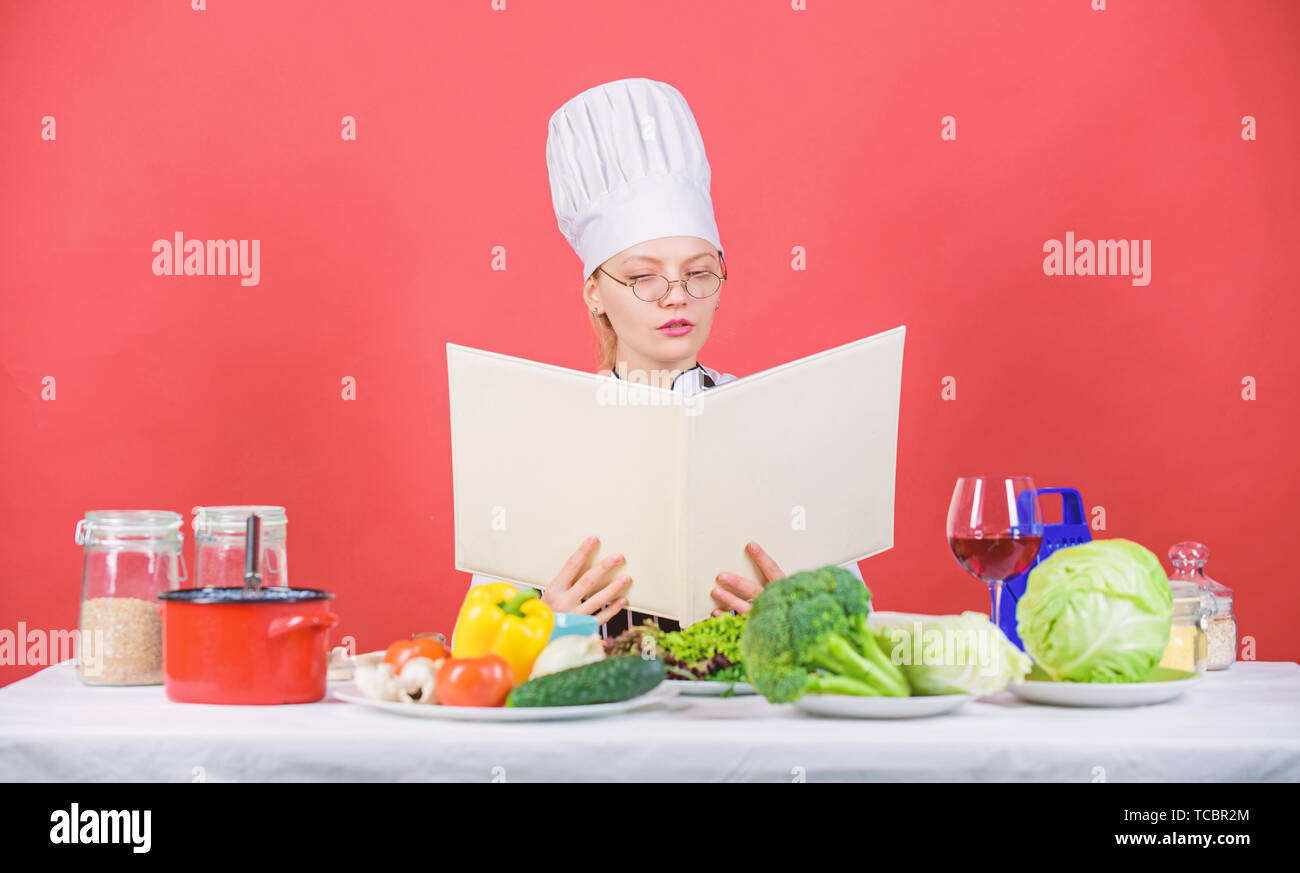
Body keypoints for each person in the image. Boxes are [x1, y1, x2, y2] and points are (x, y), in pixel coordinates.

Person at [468, 77, 865, 636]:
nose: (676, 295)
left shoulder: (779, 421)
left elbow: (859, 623)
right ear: (594, 293)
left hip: (747, 714)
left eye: (698, 272)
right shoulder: (545, 433)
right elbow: (478, 647)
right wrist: (548, 623)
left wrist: (801, 622)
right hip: (596, 715)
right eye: (642, 277)